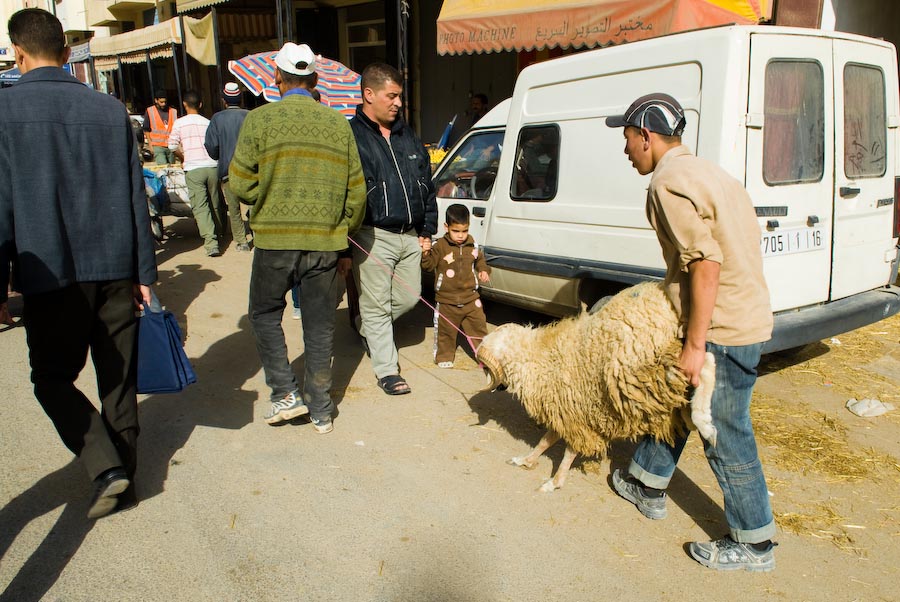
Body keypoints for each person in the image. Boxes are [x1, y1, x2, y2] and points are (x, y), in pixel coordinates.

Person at [605, 93, 777, 571]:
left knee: (723, 429)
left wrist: (697, 343)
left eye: (627, 139)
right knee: (678, 404)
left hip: (724, 327)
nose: (625, 151)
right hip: (744, 313)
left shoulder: (668, 183)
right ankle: (645, 480)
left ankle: (754, 543)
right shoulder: (709, 172)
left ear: (646, 135)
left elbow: (706, 262)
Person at [0, 9, 157, 519]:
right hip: (114, 265)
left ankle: (106, 467)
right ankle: (125, 477)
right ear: (67, 54)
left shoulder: (4, 111)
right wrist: (144, 273)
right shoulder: (110, 110)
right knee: (118, 376)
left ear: (16, 53)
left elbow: (1, 206)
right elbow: (137, 197)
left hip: (50, 271)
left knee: (51, 376)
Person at [229, 42, 366, 433]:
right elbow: (356, 194)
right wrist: (342, 231)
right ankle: (322, 410)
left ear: (277, 78)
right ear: (315, 80)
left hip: (273, 241)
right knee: (320, 326)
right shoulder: (339, 124)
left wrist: (267, 199)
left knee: (264, 314)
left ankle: (284, 394)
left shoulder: (258, 121)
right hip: (325, 243)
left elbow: (238, 183)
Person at [349, 62, 437, 396]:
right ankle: (387, 371)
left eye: (399, 96)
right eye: (392, 95)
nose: (398, 102)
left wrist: (426, 230)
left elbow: (425, 185)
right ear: (369, 94)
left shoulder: (407, 135)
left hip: (411, 235)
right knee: (375, 305)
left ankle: (366, 328)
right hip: (373, 234)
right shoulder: (352, 136)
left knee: (410, 295)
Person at [421, 204, 490, 368]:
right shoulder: (439, 246)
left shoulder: (472, 244)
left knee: (479, 329)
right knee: (446, 332)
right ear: (446, 227)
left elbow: (480, 261)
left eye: (464, 231)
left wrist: (483, 271)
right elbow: (428, 266)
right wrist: (425, 253)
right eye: (456, 231)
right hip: (447, 301)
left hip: (471, 298)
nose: (461, 236)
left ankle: (486, 359)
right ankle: (444, 356)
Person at [169, 89, 224, 257]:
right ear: (200, 104)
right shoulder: (208, 122)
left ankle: (211, 243)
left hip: (193, 168)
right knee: (215, 202)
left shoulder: (179, 123)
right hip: (212, 166)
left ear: (184, 104)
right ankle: (219, 233)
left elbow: (171, 145)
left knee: (200, 206)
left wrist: (183, 156)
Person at [205, 82, 251, 253]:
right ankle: (257, 233)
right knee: (253, 204)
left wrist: (220, 156)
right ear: (240, 99)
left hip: (228, 170)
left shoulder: (217, 118)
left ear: (224, 100)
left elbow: (212, 146)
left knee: (234, 208)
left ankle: (241, 241)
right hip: (250, 171)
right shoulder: (250, 116)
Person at [142, 88, 177, 164]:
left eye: (165, 102)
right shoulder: (150, 111)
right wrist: (150, 144)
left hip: (171, 145)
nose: (163, 104)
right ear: (156, 100)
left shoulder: (173, 111)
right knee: (163, 167)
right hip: (157, 146)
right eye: (161, 102)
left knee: (173, 169)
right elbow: (146, 129)